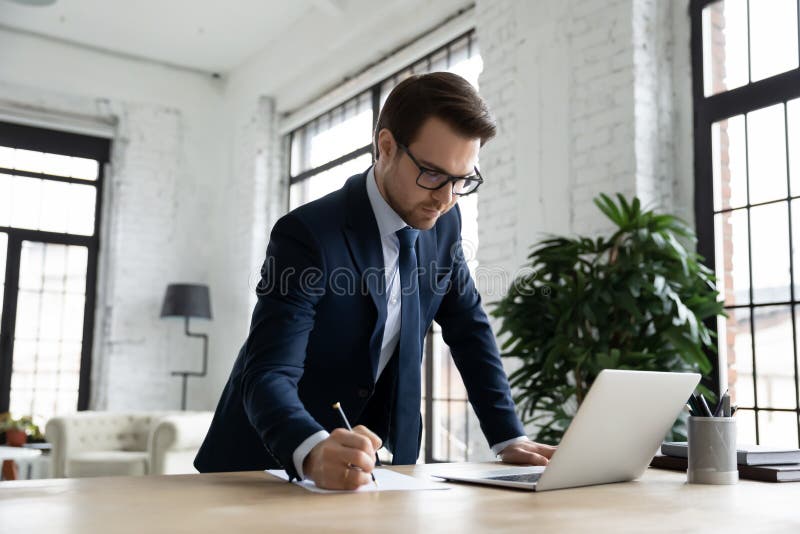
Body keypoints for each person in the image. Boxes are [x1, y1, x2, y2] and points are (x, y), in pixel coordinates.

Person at [195, 72, 555, 489]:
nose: (445, 198)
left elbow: (469, 328)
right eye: (434, 175)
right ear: (386, 147)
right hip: (263, 462)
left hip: (377, 470)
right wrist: (310, 449)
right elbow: (268, 372)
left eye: (462, 181)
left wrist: (509, 436)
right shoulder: (308, 235)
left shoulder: (444, 222)